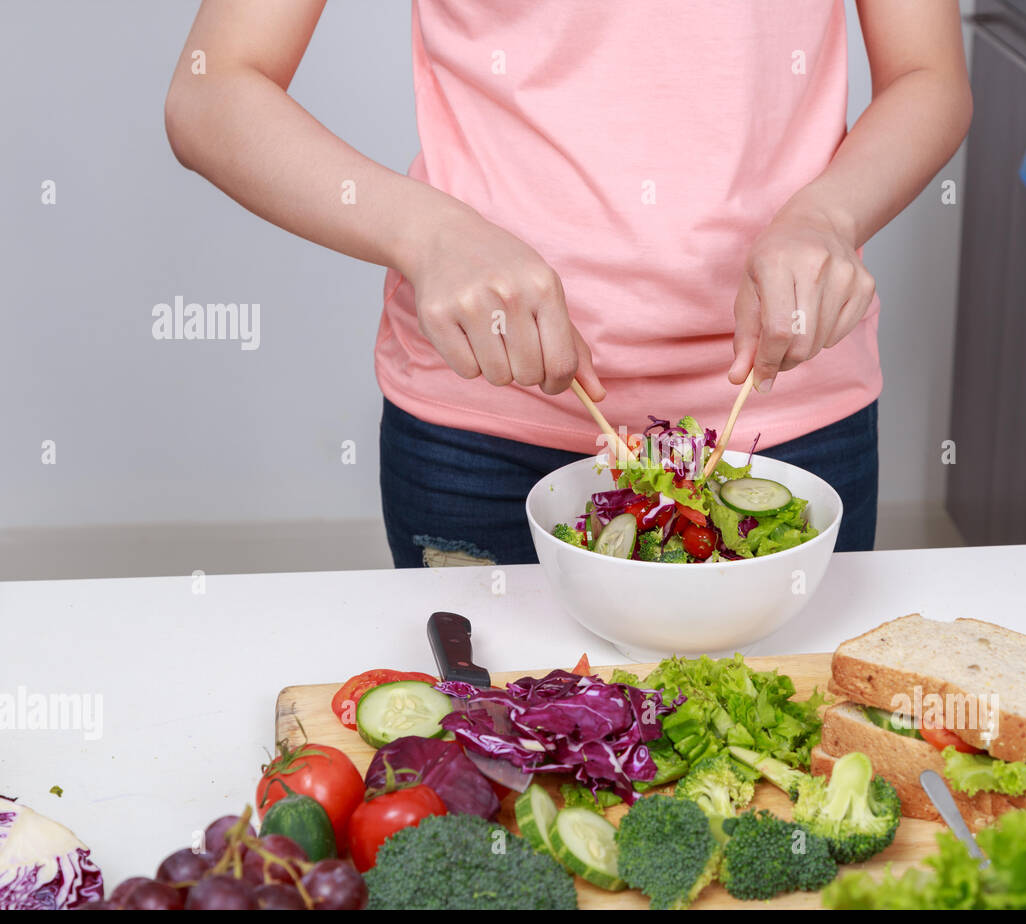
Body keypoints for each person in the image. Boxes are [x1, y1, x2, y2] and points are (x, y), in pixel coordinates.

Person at [165, 1, 971, 567]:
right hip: (485, 429)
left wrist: (828, 217)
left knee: (776, 783)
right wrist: (429, 233)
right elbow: (212, 89)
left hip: (786, 411)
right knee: (500, 782)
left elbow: (927, 74)